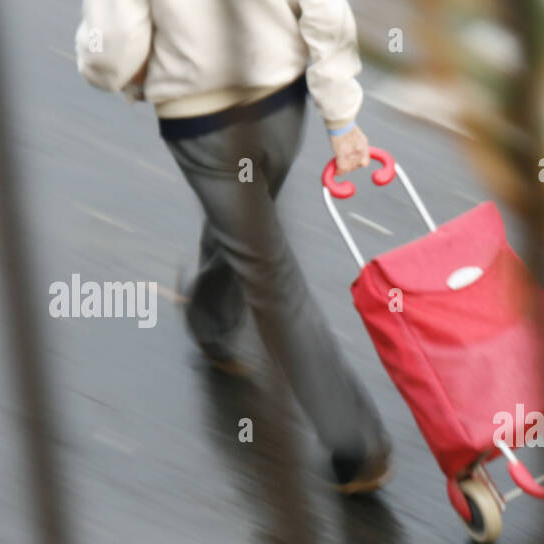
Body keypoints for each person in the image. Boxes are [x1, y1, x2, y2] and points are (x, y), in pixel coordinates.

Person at [75, 0, 391, 493]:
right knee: (251, 232)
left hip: (203, 121)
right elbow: (324, 10)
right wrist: (341, 114)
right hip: (281, 104)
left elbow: (113, 47)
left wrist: (119, 74)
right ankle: (215, 321)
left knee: (268, 271)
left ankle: (357, 440)